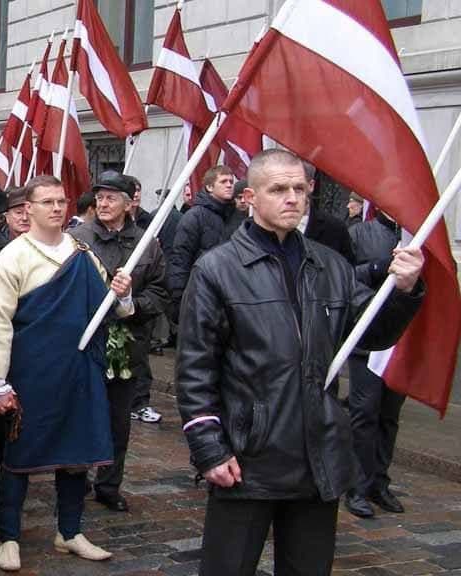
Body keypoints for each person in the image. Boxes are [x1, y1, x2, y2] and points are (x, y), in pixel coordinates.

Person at [177, 150, 425, 576]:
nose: (292, 198)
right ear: (251, 197)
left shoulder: (329, 264)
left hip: (318, 454)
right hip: (248, 456)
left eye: (299, 188)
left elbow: (373, 332)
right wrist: (208, 449)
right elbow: (196, 368)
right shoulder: (217, 269)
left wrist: (403, 292)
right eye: (278, 189)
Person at [0, 175, 133, 572]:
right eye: (47, 201)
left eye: (61, 201)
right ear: (27, 209)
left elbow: (111, 309)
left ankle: (70, 532)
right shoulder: (13, 257)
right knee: (21, 453)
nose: (56, 208)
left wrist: (123, 292)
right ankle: (10, 537)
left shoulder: (82, 253)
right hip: (32, 371)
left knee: (76, 453)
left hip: (80, 370)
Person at [70, 172, 169, 514]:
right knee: (80, 414)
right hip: (84, 344)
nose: (103, 203)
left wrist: (130, 304)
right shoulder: (77, 238)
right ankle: (76, 476)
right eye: (100, 196)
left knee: (118, 420)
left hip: (128, 347)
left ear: (129, 203)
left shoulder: (148, 244)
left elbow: (160, 292)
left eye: (112, 197)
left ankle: (109, 484)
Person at [344, 210, 407, 519]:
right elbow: (343, 274)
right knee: (364, 413)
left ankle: (379, 483)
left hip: (403, 341)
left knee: (389, 415)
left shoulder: (415, 234)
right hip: (368, 338)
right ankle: (357, 485)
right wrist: (378, 268)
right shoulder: (360, 232)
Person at [167, 165, 237, 320]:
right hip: (201, 293)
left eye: (231, 181)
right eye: (224, 181)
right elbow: (180, 257)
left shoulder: (237, 216)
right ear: (210, 187)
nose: (229, 185)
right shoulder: (194, 217)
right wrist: (179, 297)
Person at [300, 163, 355, 263]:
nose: (290, 196)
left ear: (311, 185)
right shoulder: (267, 227)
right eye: (279, 189)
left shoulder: (335, 229)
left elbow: (347, 273)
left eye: (297, 187)